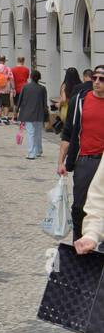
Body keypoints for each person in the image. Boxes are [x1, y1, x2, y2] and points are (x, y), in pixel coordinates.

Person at [58, 63, 104, 241]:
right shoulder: (80, 100)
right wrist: (61, 162)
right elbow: (68, 132)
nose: (97, 82)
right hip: (86, 160)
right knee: (79, 207)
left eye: (102, 79)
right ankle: (79, 242)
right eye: (94, 78)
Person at [17, 70, 50, 160]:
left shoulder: (25, 87)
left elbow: (20, 100)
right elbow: (44, 103)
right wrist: (46, 115)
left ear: (30, 77)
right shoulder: (42, 88)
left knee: (31, 133)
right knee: (38, 132)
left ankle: (31, 153)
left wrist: (17, 111)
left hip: (27, 113)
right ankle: (38, 150)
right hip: (39, 113)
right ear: (39, 78)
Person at [56, 67, 82, 135]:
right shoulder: (80, 84)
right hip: (77, 109)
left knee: (67, 132)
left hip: (66, 110)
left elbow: (64, 99)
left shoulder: (64, 86)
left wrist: (59, 104)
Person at [0, 55, 14, 124]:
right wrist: (13, 87)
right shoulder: (7, 68)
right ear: (4, 60)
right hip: (6, 89)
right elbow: (11, 78)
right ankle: (5, 118)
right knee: (6, 104)